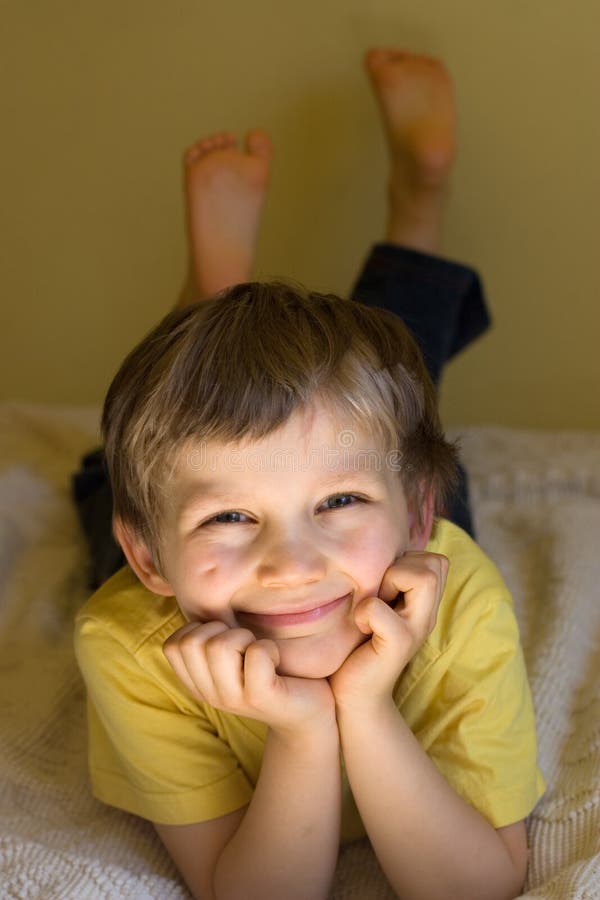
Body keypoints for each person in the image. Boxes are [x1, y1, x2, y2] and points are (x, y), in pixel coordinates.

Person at [73, 49, 545, 900]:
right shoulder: (129, 645)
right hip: (276, 559)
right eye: (231, 518)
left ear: (416, 519)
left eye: (336, 501)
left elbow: (480, 889)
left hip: (385, 565)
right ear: (145, 562)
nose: (291, 563)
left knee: (384, 395)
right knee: (151, 453)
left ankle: (415, 202)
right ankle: (217, 303)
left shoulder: (455, 594)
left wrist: (363, 706)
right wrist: (302, 731)